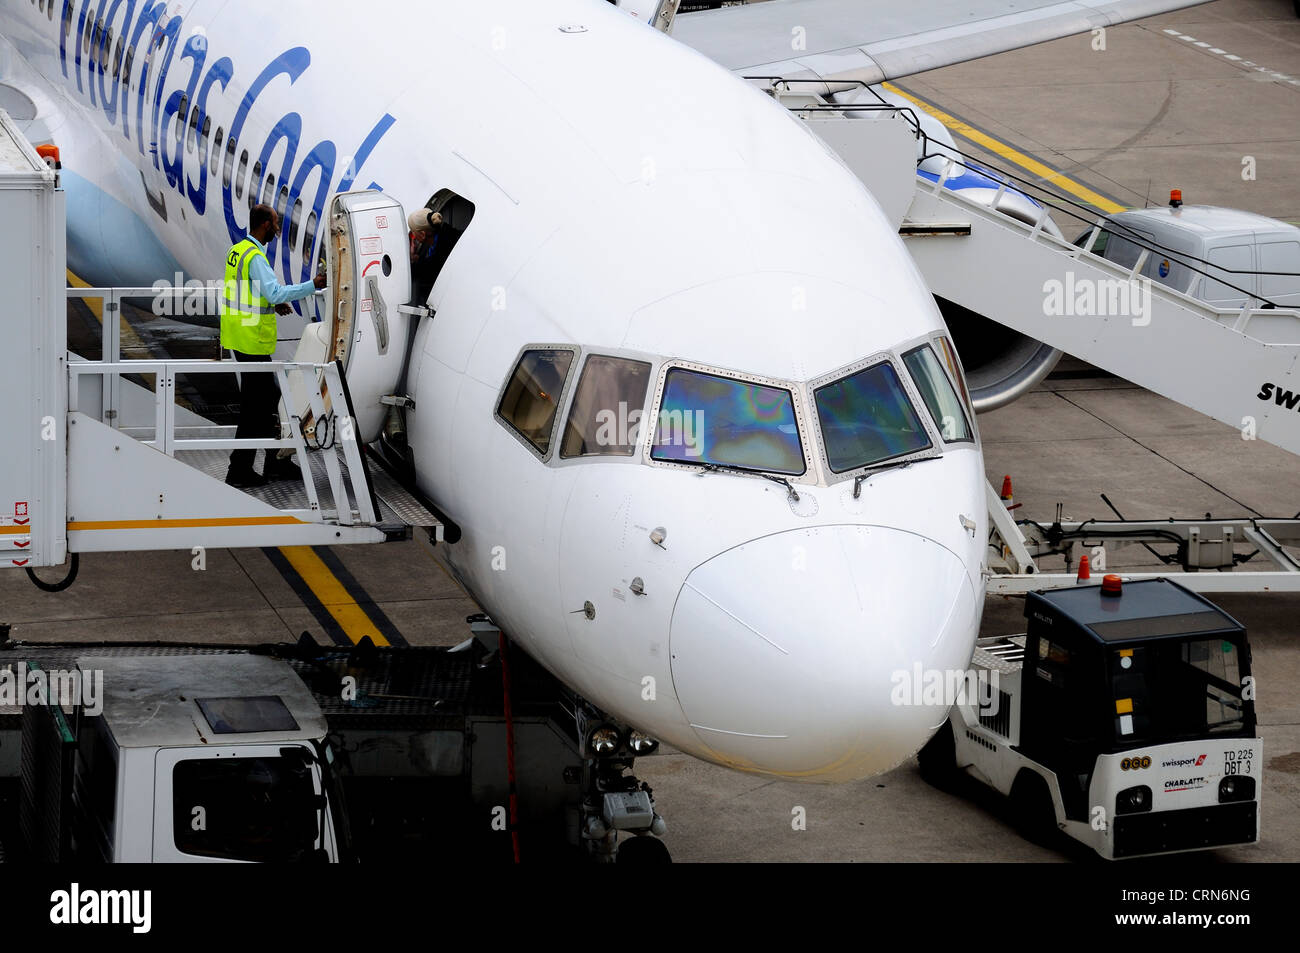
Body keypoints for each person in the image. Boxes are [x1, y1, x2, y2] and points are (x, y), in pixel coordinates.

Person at [221, 204, 327, 487]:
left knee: (265, 401)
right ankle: (239, 469)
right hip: (252, 340)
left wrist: (272, 303)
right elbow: (274, 290)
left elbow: (250, 291)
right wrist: (311, 285)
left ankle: (274, 462)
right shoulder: (255, 257)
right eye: (276, 224)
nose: (279, 229)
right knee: (255, 408)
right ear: (266, 225)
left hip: (239, 336)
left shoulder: (238, 250)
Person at [408, 207, 445, 304]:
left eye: (413, 232)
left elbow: (426, 270)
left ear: (423, 233)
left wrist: (411, 262)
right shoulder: (440, 239)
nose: (413, 236)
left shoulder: (443, 250)